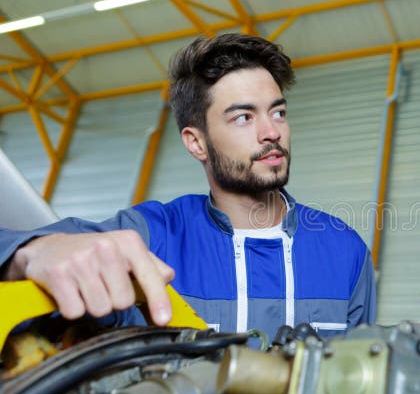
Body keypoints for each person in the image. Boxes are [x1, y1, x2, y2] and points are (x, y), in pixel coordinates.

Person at [0, 33, 376, 339]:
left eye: (277, 112)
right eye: (244, 117)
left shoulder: (346, 251)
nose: (272, 132)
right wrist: (32, 253)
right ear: (196, 143)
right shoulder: (148, 236)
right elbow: (19, 247)